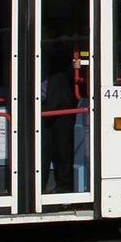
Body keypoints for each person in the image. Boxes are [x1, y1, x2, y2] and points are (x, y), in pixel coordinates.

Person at [40, 37, 76, 195]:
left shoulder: (60, 49)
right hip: (39, 107)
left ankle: (64, 186)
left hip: (61, 106)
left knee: (62, 149)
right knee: (42, 150)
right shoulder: (33, 50)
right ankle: (39, 186)